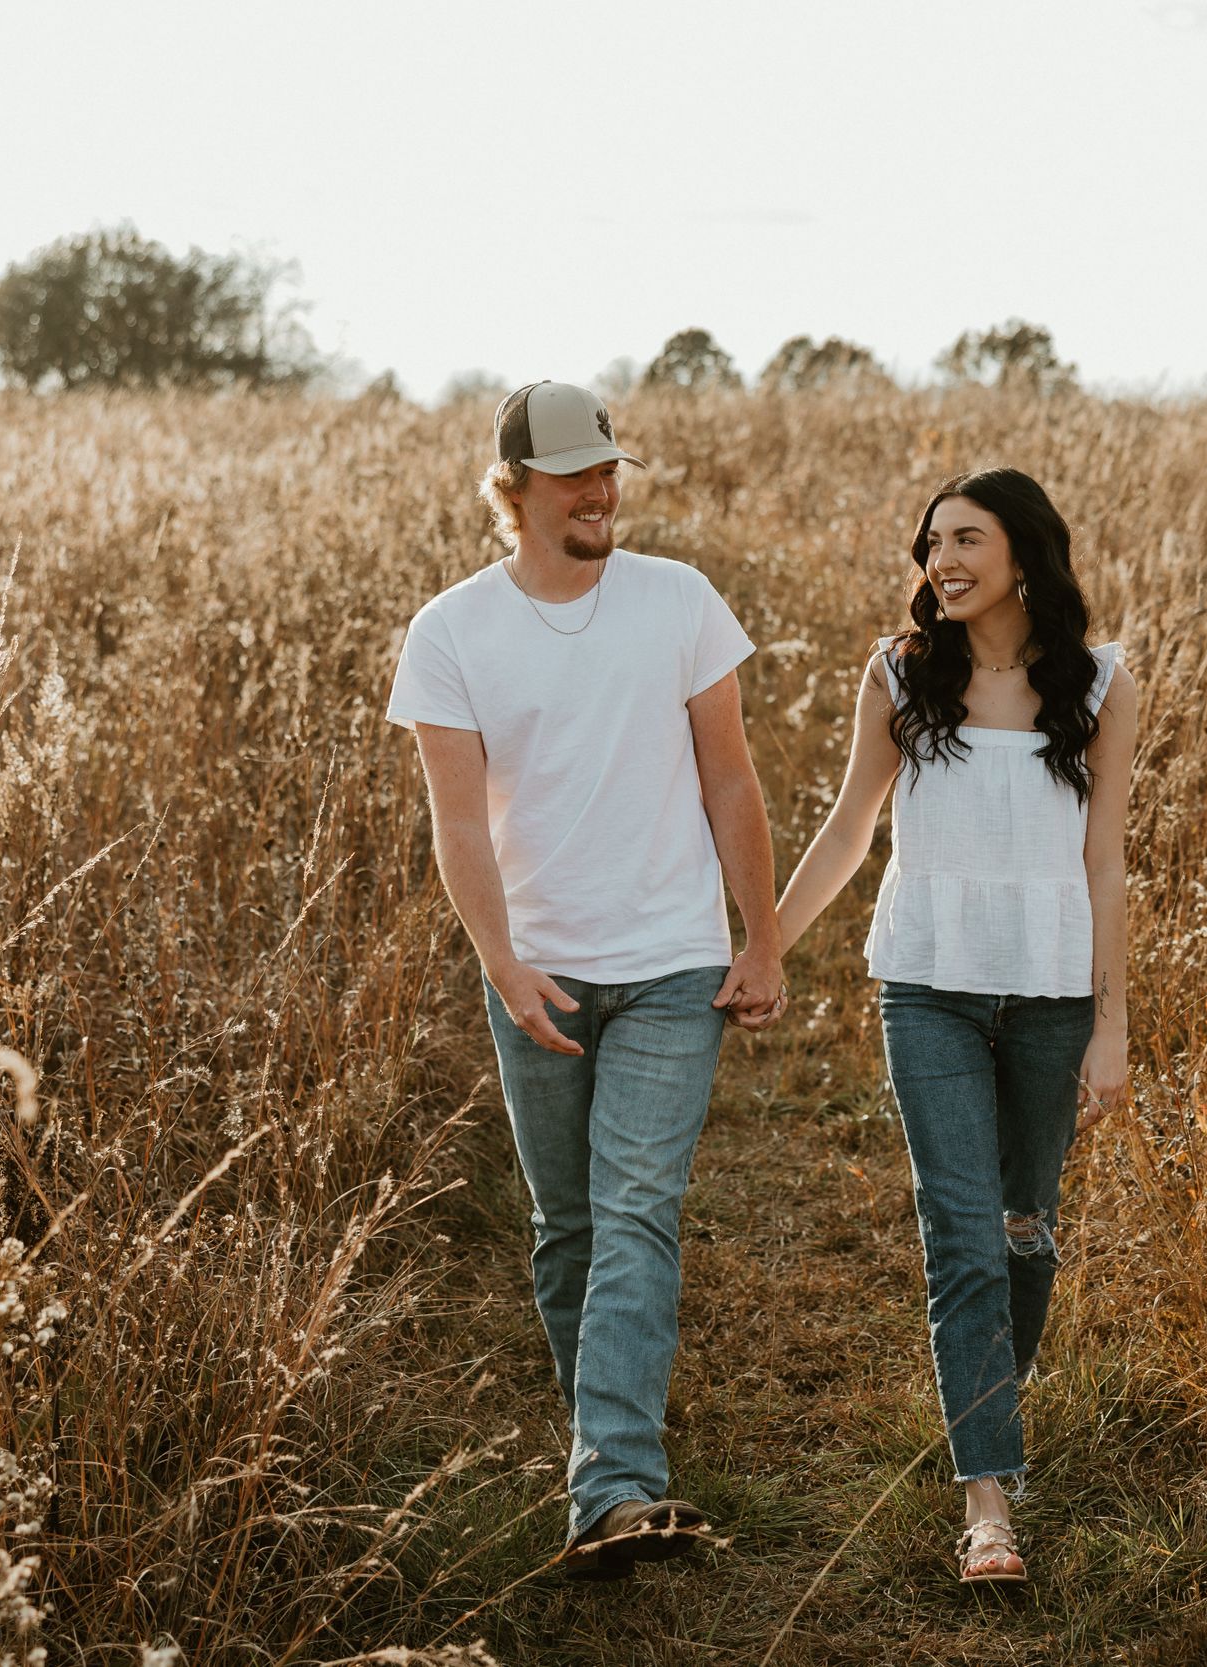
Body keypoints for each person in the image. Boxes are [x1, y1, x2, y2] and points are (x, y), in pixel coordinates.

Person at [385, 380, 788, 1581]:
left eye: (608, 469)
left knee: (635, 1209)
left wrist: (761, 938)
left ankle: (614, 1483)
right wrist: (500, 961)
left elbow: (730, 778)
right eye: (574, 476)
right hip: (541, 970)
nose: (601, 491)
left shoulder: (679, 600)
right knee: (567, 1226)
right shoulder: (450, 631)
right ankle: (606, 1435)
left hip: (673, 962)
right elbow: (459, 822)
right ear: (513, 489)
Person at [773, 466, 1136, 1587]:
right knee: (964, 1233)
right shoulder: (901, 672)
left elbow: (1105, 859)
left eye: (967, 538)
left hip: (1051, 990)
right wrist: (765, 943)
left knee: (1026, 1227)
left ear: (1024, 552)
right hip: (927, 981)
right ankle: (988, 1503)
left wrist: (1113, 1022)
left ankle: (989, 1402)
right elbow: (850, 823)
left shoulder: (1100, 682)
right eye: (933, 544)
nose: (943, 561)